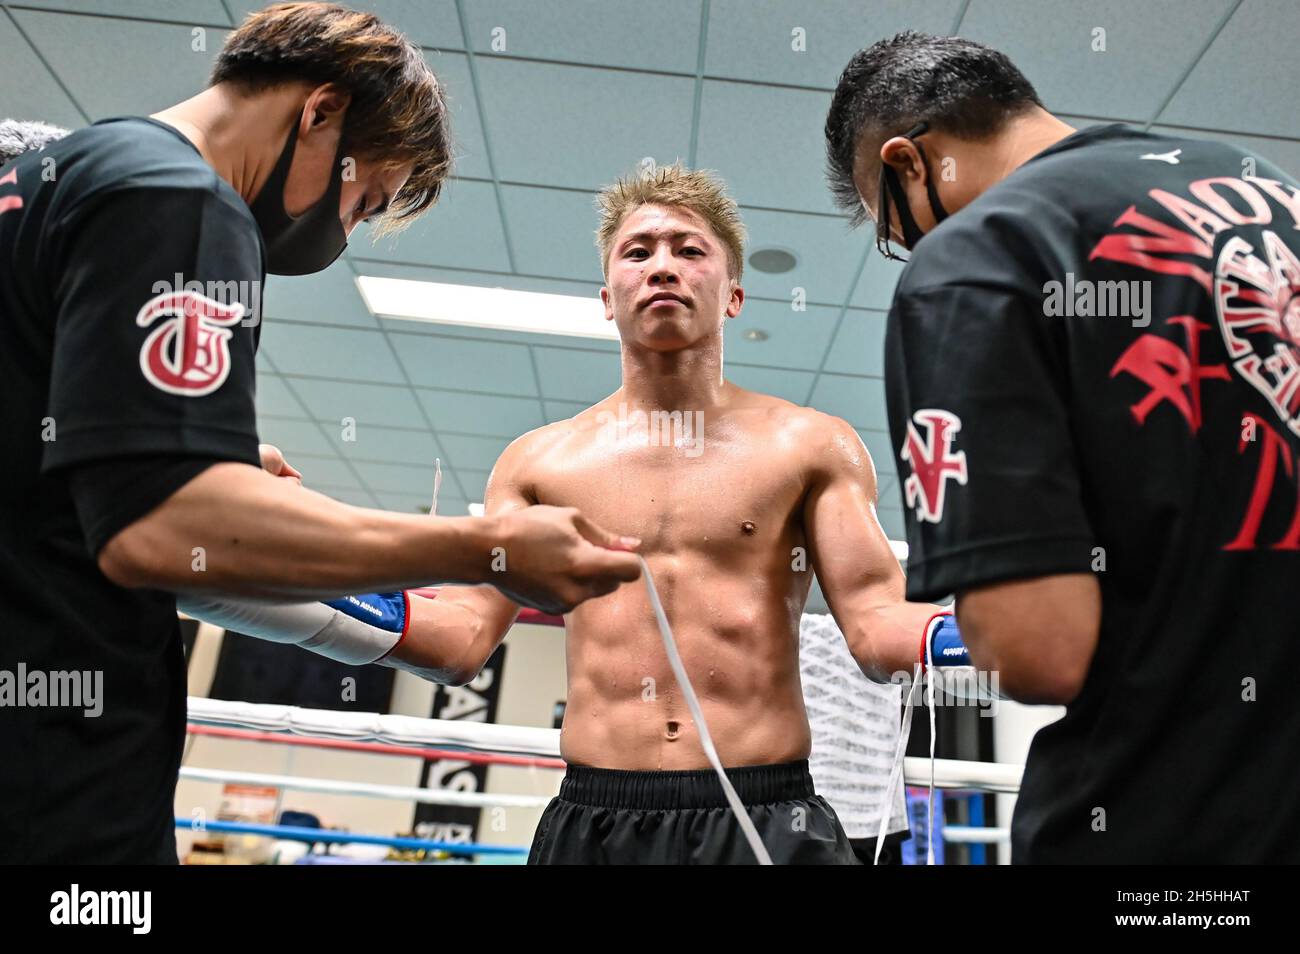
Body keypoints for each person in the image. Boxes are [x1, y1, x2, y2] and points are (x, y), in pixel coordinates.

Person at [0, 2, 637, 865]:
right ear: (320, 111)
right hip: (57, 781)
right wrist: (487, 552)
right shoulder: (185, 199)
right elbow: (162, 529)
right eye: (362, 195)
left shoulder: (49, 172)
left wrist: (178, 447)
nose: (343, 231)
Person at [380, 163, 968, 865]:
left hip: (765, 812)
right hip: (597, 820)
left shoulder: (811, 444)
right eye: (638, 251)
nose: (663, 267)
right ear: (607, 296)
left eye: (689, 250)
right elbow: (462, 638)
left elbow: (874, 625)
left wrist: (981, 634)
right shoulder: (537, 462)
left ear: (734, 295)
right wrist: (303, 584)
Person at [824, 31, 1300, 862]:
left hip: (1179, 830)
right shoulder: (1270, 192)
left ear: (909, 163)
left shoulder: (977, 260)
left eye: (892, 229)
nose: (909, 251)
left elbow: (1037, 649)